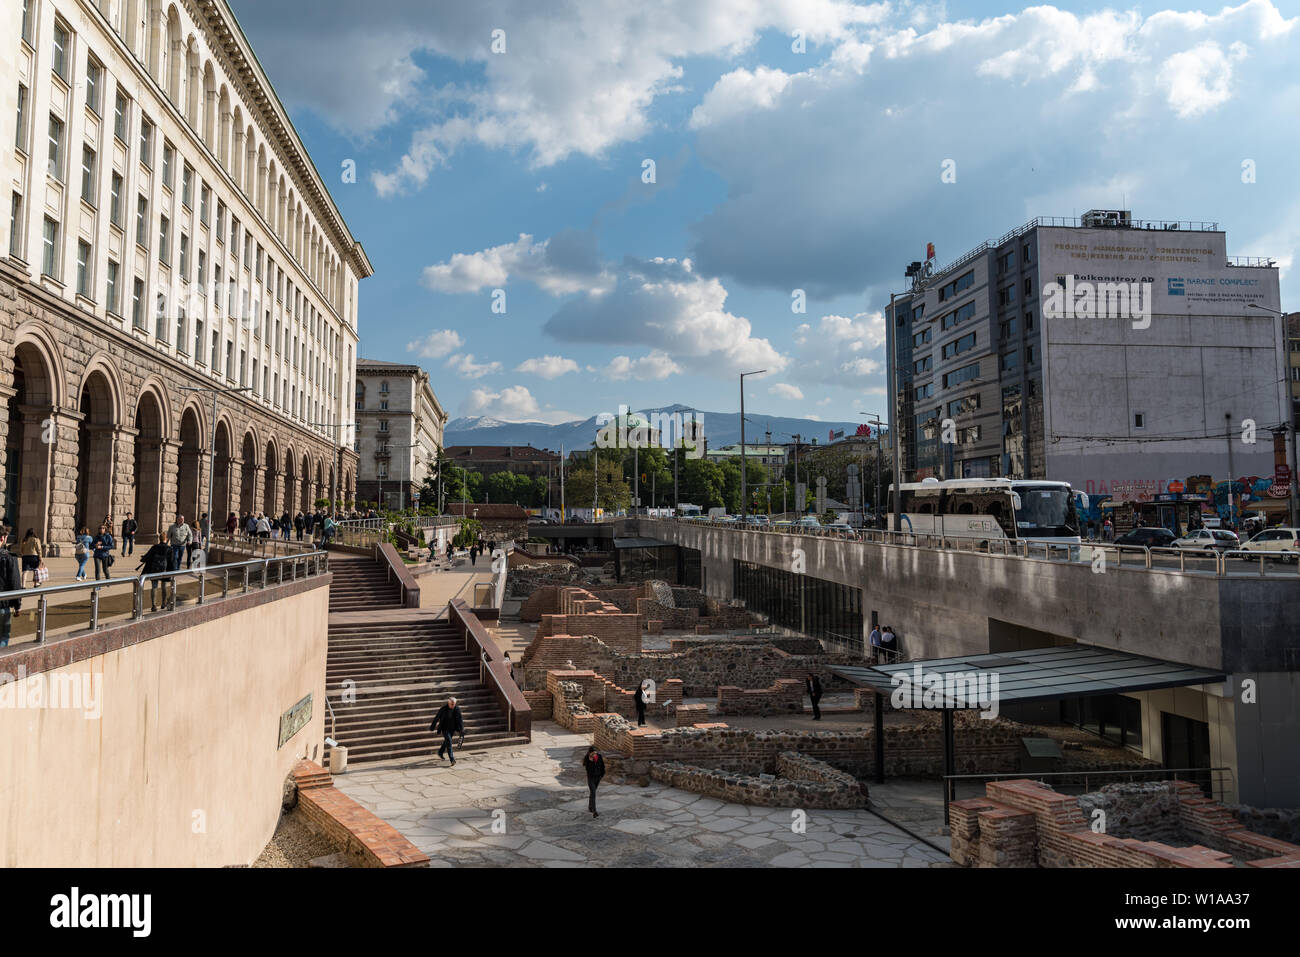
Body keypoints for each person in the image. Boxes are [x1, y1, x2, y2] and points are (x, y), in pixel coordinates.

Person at [137, 534, 175, 612]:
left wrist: (143, 558)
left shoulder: (154, 547)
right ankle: (163, 603)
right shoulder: (169, 548)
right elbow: (171, 561)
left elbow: (147, 557)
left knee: (154, 587)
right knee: (163, 587)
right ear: (166, 539)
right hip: (164, 571)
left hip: (154, 570)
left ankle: (153, 605)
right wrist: (172, 572)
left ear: (159, 539)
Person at [0, 526, 22, 647]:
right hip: (2, 604)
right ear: (3, 538)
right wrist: (17, 605)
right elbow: (15, 583)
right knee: (3, 636)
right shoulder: (9, 557)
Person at [429, 696, 464, 765]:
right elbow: (437, 718)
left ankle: (440, 752)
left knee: (447, 741)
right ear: (448, 703)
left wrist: (461, 729)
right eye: (452, 704)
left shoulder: (457, 709)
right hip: (444, 728)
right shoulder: (443, 709)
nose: (453, 705)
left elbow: (460, 720)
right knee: (449, 741)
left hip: (452, 729)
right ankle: (452, 759)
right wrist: (432, 726)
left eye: (454, 704)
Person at [582, 745, 605, 818]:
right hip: (591, 778)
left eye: (595, 753)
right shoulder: (587, 758)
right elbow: (587, 769)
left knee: (592, 793)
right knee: (593, 793)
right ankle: (594, 811)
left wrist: (602, 774)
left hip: (598, 778)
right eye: (592, 753)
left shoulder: (599, 756)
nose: (594, 755)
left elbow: (602, 766)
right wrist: (590, 761)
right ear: (589, 753)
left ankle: (590, 807)